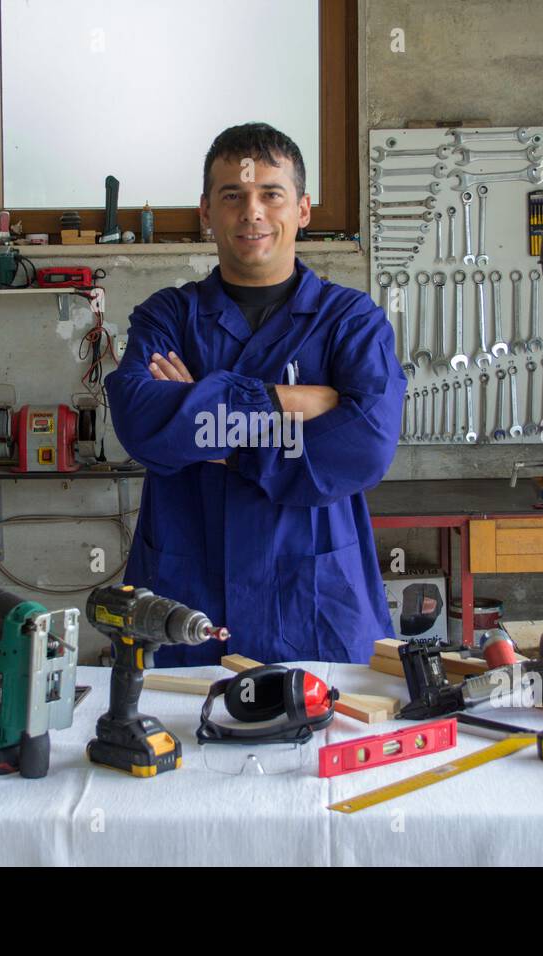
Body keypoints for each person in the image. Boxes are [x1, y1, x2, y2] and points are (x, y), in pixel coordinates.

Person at [104, 122, 406, 665]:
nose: (253, 211)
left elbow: (367, 444)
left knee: (326, 737)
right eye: (232, 195)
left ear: (303, 208)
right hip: (187, 592)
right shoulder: (167, 316)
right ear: (206, 211)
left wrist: (212, 430)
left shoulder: (351, 321)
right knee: (179, 738)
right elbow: (140, 423)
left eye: (271, 193)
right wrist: (292, 402)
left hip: (314, 600)